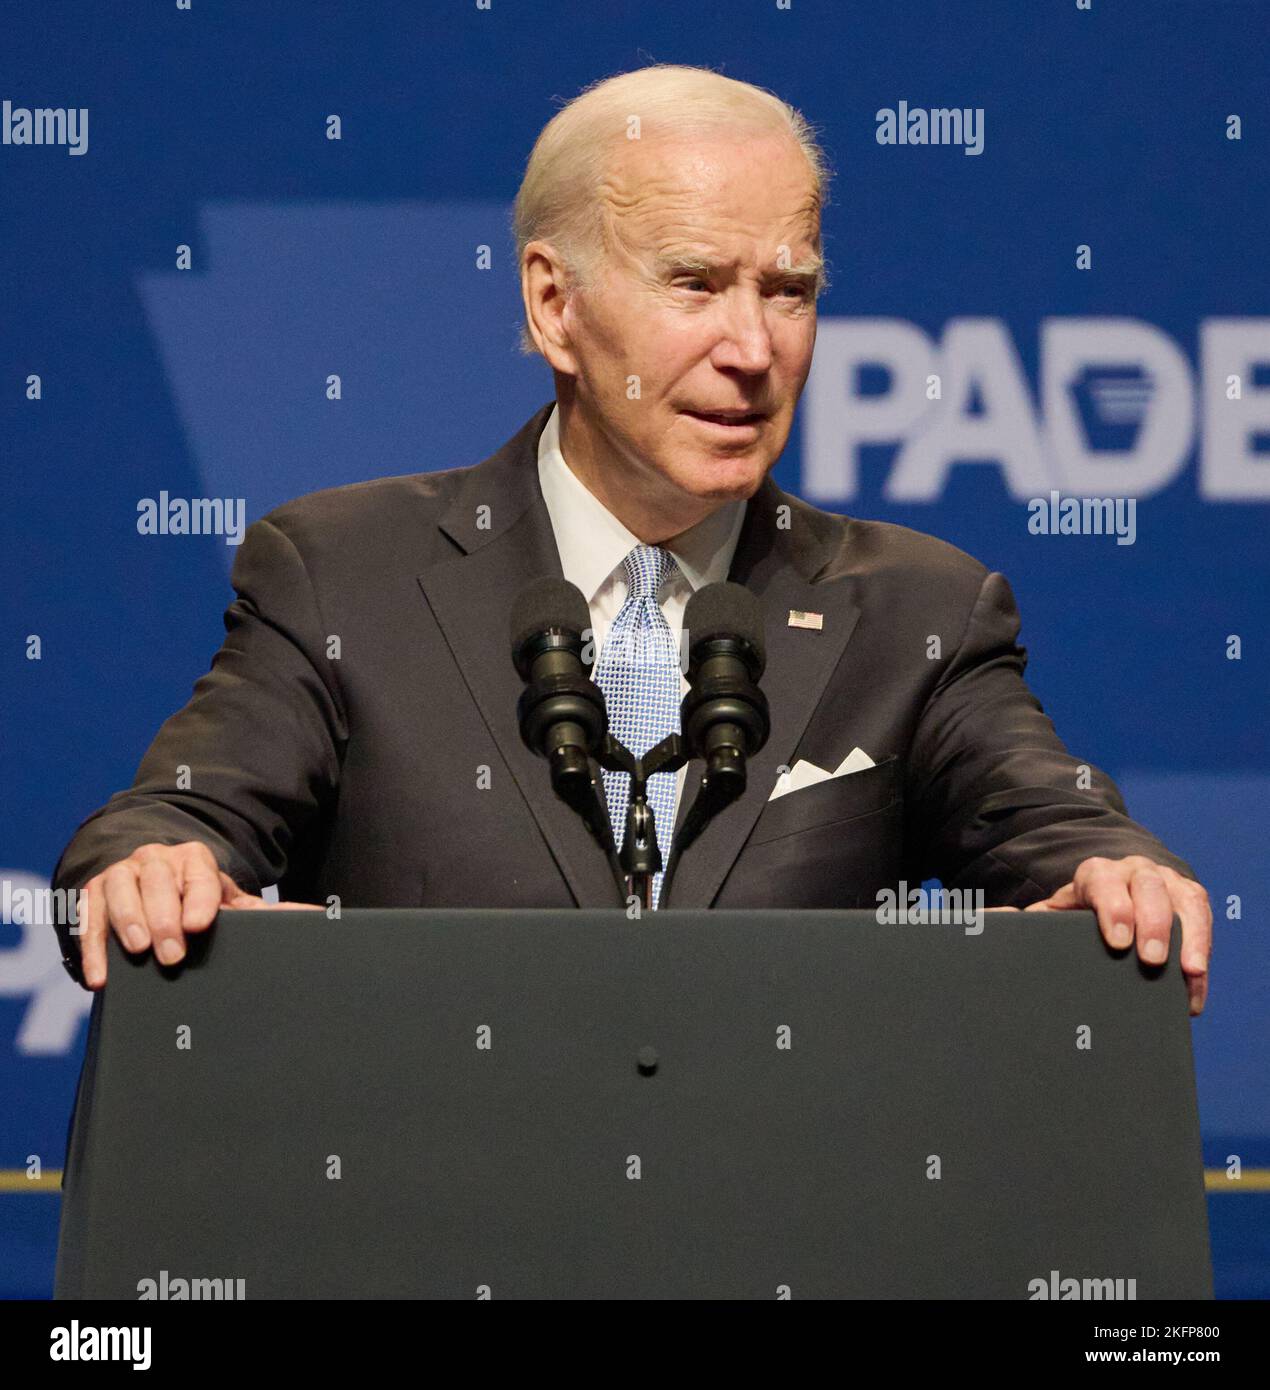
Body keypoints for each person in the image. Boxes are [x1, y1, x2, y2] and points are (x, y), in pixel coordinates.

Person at [51, 64, 1211, 1013]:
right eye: (695, 283)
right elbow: (173, 817)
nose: (753, 347)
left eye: (789, 289)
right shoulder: (341, 573)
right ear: (554, 304)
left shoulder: (915, 608)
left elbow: (1057, 823)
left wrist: (1117, 874)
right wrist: (150, 867)